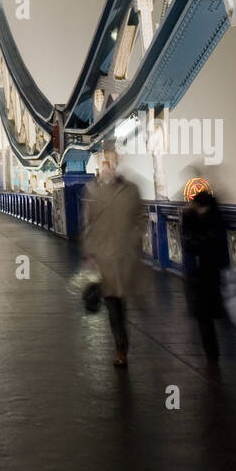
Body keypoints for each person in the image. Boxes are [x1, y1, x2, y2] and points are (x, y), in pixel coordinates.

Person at [81, 154, 144, 367]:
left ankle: (122, 346)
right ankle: (121, 349)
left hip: (124, 256)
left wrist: (134, 239)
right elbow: (88, 224)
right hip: (105, 258)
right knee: (114, 306)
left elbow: (140, 218)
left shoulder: (131, 190)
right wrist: (90, 254)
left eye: (109, 164)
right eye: (104, 165)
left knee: (121, 303)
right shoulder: (94, 192)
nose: (106, 168)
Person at [182, 187, 229, 361]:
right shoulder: (216, 220)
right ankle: (213, 353)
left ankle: (212, 353)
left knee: (204, 315)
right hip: (211, 275)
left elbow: (189, 242)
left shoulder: (193, 220)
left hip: (202, 275)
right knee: (208, 314)